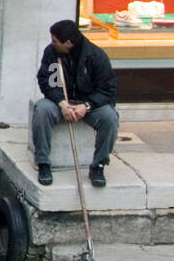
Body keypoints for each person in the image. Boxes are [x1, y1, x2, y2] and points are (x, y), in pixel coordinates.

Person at [33, 19, 118, 188]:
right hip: (61, 101)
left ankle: (98, 166)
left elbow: (108, 90)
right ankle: (43, 163)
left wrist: (86, 106)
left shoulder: (96, 56)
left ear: (68, 43)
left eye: (55, 41)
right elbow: (46, 81)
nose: (52, 43)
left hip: (88, 104)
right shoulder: (51, 53)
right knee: (42, 110)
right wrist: (62, 103)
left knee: (110, 118)